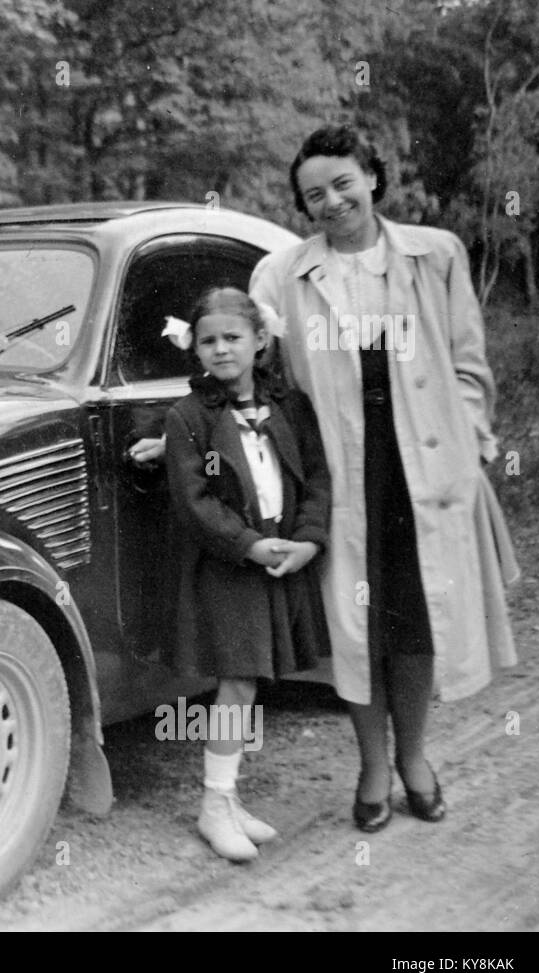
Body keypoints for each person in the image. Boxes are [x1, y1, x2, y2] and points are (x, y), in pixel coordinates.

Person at [250, 124, 519, 833]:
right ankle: (373, 764)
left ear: (373, 177)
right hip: (340, 475)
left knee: (417, 618)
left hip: (425, 469)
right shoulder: (283, 276)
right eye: (315, 194)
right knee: (359, 624)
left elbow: (469, 364)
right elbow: (259, 376)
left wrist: (470, 448)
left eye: (343, 183)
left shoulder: (435, 255)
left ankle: (416, 761)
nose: (332, 201)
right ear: (303, 206)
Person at [162, 287, 331, 862]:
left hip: (279, 559)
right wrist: (250, 544)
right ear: (195, 349)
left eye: (233, 337)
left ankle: (227, 799)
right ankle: (214, 805)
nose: (220, 350)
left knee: (249, 681)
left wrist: (308, 540)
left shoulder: (290, 405)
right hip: (230, 567)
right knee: (236, 681)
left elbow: (316, 475)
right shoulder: (188, 416)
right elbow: (195, 501)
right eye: (207, 341)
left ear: (260, 341)